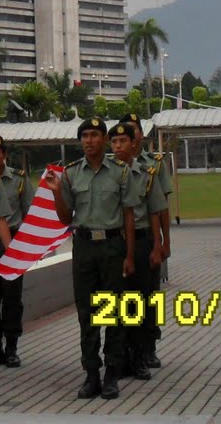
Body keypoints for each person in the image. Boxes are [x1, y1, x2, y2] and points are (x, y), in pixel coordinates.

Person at [48, 116, 140, 401]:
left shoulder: (120, 172)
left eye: (94, 135)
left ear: (104, 139)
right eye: (84, 136)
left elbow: (129, 215)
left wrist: (129, 255)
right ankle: (91, 374)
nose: (89, 141)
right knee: (86, 314)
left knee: (112, 312)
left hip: (112, 247)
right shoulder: (71, 174)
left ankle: (112, 373)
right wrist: (57, 192)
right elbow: (65, 218)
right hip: (84, 248)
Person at [118, 120, 167, 380]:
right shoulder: (110, 169)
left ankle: (149, 346)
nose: (123, 140)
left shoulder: (153, 165)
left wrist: (162, 243)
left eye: (132, 130)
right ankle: (125, 353)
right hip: (119, 242)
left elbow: (160, 208)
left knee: (150, 297)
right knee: (125, 300)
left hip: (144, 238)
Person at [0, 134, 30, 367]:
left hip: (12, 243)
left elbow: (29, 213)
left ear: (5, 155)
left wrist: (26, 249)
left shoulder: (19, 179)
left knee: (12, 299)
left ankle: (12, 347)